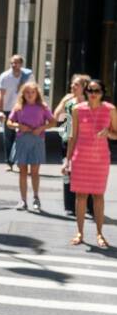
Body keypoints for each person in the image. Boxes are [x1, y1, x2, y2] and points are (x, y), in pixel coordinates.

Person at [63, 79, 117, 247]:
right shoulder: (77, 110)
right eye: (90, 90)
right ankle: (79, 232)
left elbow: (116, 134)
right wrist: (67, 160)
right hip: (81, 157)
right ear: (86, 92)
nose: (93, 94)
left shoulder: (111, 110)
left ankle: (100, 234)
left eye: (97, 91)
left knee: (98, 196)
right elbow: (72, 136)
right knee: (80, 196)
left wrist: (108, 132)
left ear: (102, 92)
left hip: (100, 159)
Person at [6, 80, 53, 212]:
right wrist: (19, 126)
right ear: (23, 94)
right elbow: (9, 122)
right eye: (27, 92)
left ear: (37, 93)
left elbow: (53, 122)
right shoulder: (18, 107)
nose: (30, 95)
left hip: (37, 141)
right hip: (22, 141)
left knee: (35, 172)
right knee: (22, 172)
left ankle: (36, 197)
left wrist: (41, 128)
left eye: (32, 92)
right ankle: (23, 200)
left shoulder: (43, 107)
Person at [54, 74, 91, 215]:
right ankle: (69, 206)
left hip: (85, 142)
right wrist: (64, 102)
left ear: (84, 87)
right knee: (68, 171)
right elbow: (57, 116)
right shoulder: (68, 100)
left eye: (76, 84)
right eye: (72, 84)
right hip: (67, 139)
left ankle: (87, 205)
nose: (72, 87)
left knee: (86, 173)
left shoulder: (90, 101)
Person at [0, 54, 34, 171]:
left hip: (23, 110)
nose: (13, 65)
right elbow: (0, 95)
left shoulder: (28, 76)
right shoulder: (5, 76)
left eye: (16, 62)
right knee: (8, 137)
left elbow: (33, 92)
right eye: (12, 62)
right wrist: (0, 111)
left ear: (21, 64)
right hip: (8, 110)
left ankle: (19, 160)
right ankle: (9, 161)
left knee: (23, 136)